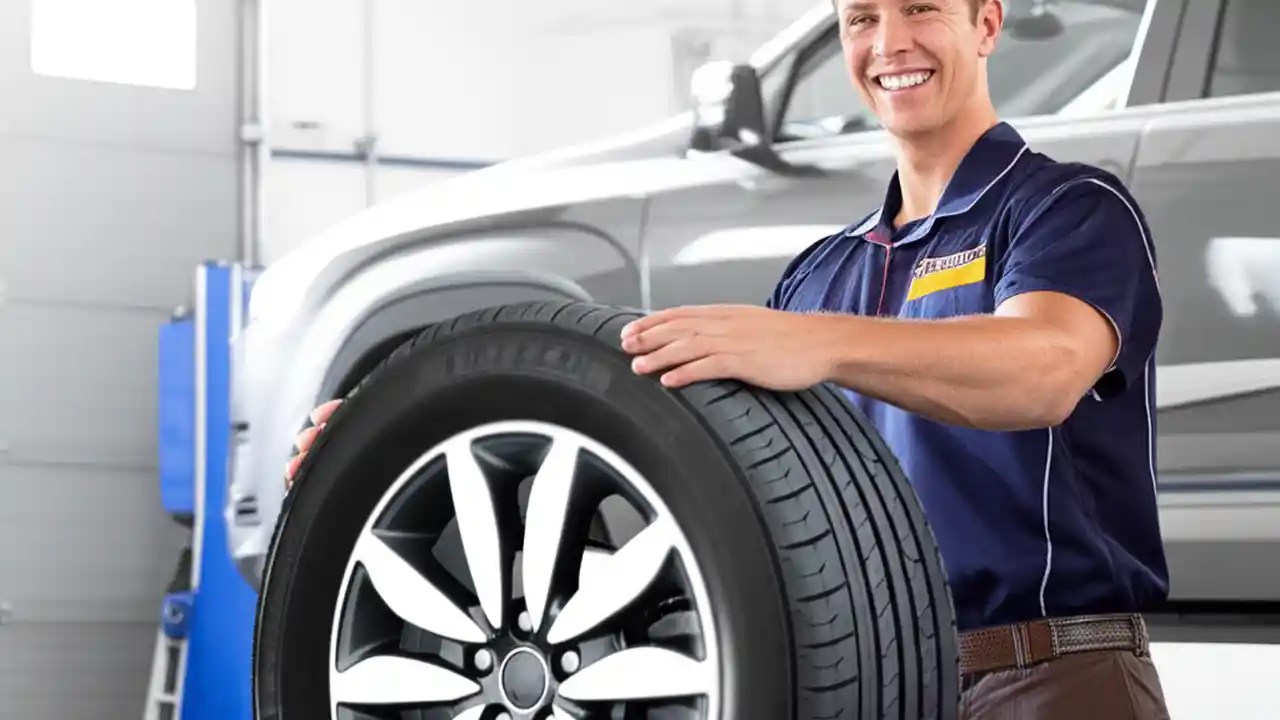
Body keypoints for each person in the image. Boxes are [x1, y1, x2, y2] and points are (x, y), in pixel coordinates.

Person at [288, 0, 1171, 716]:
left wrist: (815, 343)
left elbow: (1044, 369)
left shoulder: (1067, 208)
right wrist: (389, 442)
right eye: (861, 18)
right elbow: (702, 478)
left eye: (920, 10)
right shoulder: (821, 274)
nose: (889, 43)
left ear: (986, 22)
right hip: (876, 689)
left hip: (1048, 680)